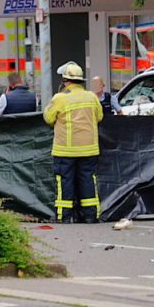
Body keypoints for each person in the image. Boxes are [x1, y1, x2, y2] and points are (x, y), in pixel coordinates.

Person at [43, 62, 103, 223]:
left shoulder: (60, 98)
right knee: (88, 180)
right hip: (89, 149)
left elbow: (48, 118)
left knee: (65, 182)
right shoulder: (92, 97)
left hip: (65, 150)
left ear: (65, 80)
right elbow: (99, 117)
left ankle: (64, 216)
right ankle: (91, 215)